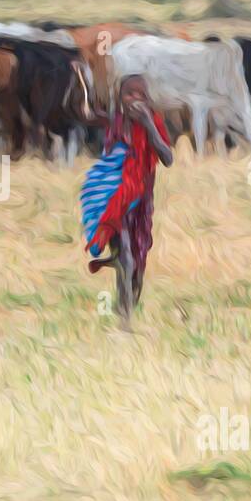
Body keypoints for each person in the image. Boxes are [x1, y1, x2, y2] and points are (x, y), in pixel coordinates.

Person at [80, 74, 174, 325]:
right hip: (114, 200)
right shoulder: (116, 121)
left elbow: (167, 158)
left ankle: (127, 307)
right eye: (128, 94)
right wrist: (84, 82)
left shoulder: (153, 122)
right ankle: (124, 323)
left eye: (140, 95)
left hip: (139, 205)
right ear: (120, 98)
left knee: (137, 267)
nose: (134, 100)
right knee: (127, 260)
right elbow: (88, 113)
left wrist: (149, 125)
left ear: (148, 99)